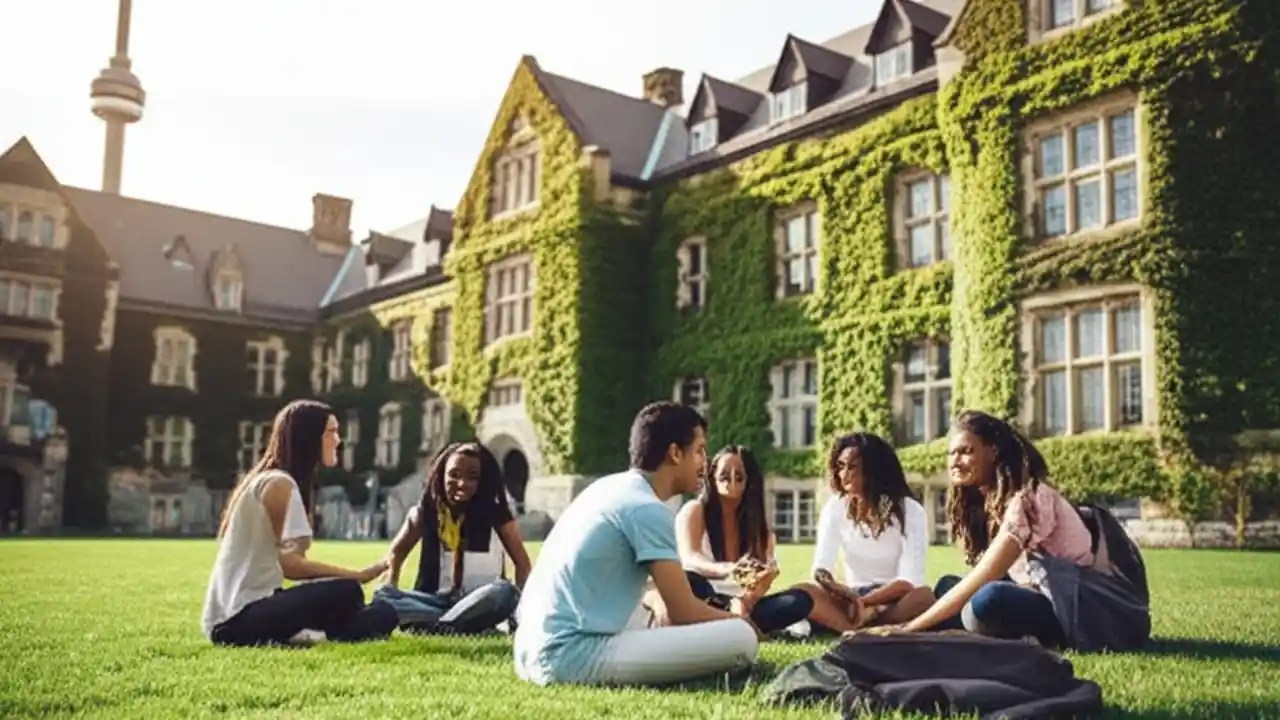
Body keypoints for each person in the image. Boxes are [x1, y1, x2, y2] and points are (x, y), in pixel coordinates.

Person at [513, 402, 759, 687]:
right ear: (675, 453)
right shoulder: (646, 508)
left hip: (529, 651)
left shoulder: (607, 488)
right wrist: (738, 619)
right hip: (569, 657)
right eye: (700, 450)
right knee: (742, 638)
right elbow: (684, 610)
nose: (705, 462)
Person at [897, 410, 1105, 648]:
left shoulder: (1028, 498)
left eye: (966, 451)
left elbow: (985, 575)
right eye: (951, 453)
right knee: (947, 586)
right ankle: (977, 627)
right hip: (1029, 590)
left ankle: (991, 631)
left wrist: (907, 629)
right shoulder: (993, 499)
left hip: (1070, 604)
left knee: (986, 600)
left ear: (992, 452)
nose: (955, 460)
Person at [201, 400, 398, 647]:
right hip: (236, 620)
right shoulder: (279, 484)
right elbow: (291, 565)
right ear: (310, 437)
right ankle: (343, 625)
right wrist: (360, 575)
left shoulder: (270, 480)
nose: (338, 441)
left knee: (383, 614)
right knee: (348, 591)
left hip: (242, 614)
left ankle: (344, 627)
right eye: (332, 432)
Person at [375, 441, 532, 635]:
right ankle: (457, 625)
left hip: (478, 601)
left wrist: (518, 619)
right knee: (383, 596)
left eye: (472, 477)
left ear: (482, 481)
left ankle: (441, 625)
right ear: (441, 475)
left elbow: (523, 564)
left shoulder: (497, 515)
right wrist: (392, 585)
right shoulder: (425, 514)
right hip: (433, 600)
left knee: (505, 592)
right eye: (454, 475)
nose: (462, 483)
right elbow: (396, 553)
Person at [664, 445, 813, 635]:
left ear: (749, 481)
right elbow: (690, 557)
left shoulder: (759, 528)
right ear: (712, 476)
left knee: (800, 600)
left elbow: (762, 578)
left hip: (744, 601)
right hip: (704, 595)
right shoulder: (695, 510)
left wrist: (749, 597)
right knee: (688, 579)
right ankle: (737, 621)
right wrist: (729, 568)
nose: (732, 479)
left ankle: (737, 620)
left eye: (739, 475)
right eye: (724, 473)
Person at [793, 432, 933, 633]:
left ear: (873, 470)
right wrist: (835, 588)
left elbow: (909, 581)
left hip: (893, 599)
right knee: (805, 592)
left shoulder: (910, 511)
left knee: (924, 597)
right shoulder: (835, 506)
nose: (844, 474)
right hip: (850, 597)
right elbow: (821, 568)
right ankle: (863, 629)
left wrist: (866, 603)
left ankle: (854, 626)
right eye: (840, 466)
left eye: (852, 467)